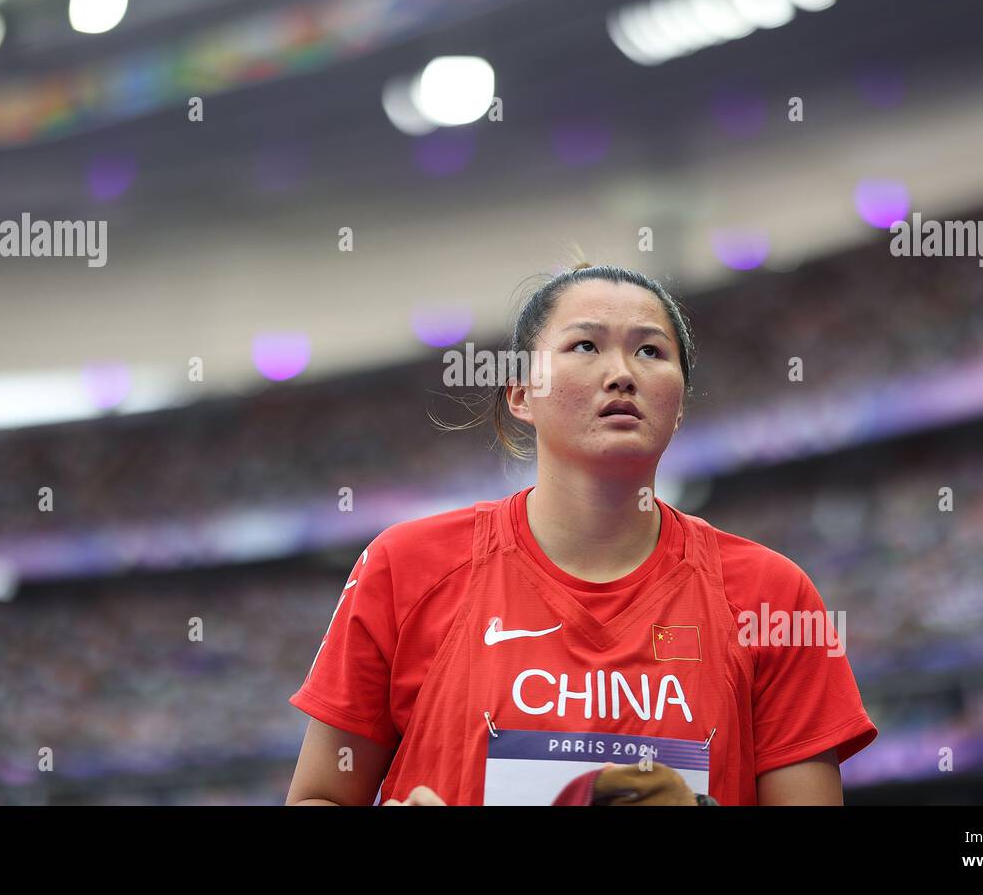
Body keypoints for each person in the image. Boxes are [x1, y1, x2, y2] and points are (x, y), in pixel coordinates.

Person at [286, 261, 876, 805]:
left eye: (651, 352)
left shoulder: (772, 595)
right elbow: (319, 797)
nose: (621, 374)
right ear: (520, 393)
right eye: (585, 345)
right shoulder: (405, 566)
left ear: (679, 403)